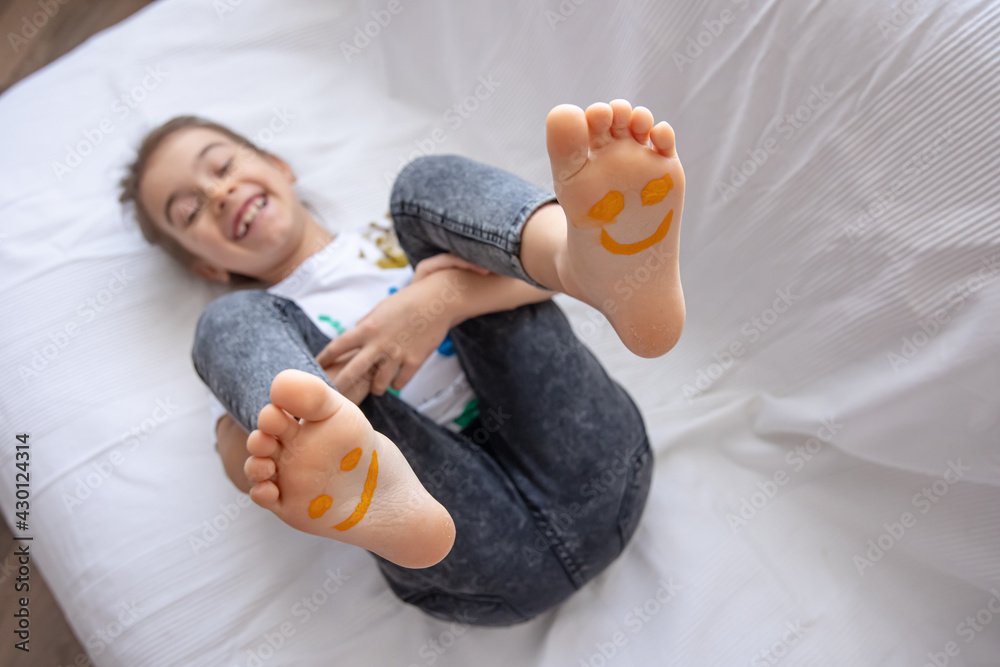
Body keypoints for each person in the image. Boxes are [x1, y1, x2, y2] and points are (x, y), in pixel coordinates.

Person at [118, 99, 686, 626]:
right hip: (459, 544)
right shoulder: (264, 330)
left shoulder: (409, 236)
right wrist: (272, 429)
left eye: (221, 166)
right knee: (226, 326)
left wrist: (444, 300)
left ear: (278, 165)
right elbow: (239, 457)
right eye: (190, 212)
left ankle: (579, 260)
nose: (218, 193)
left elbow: (527, 291)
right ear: (206, 268)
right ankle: (327, 448)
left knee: (421, 186)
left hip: (594, 458)